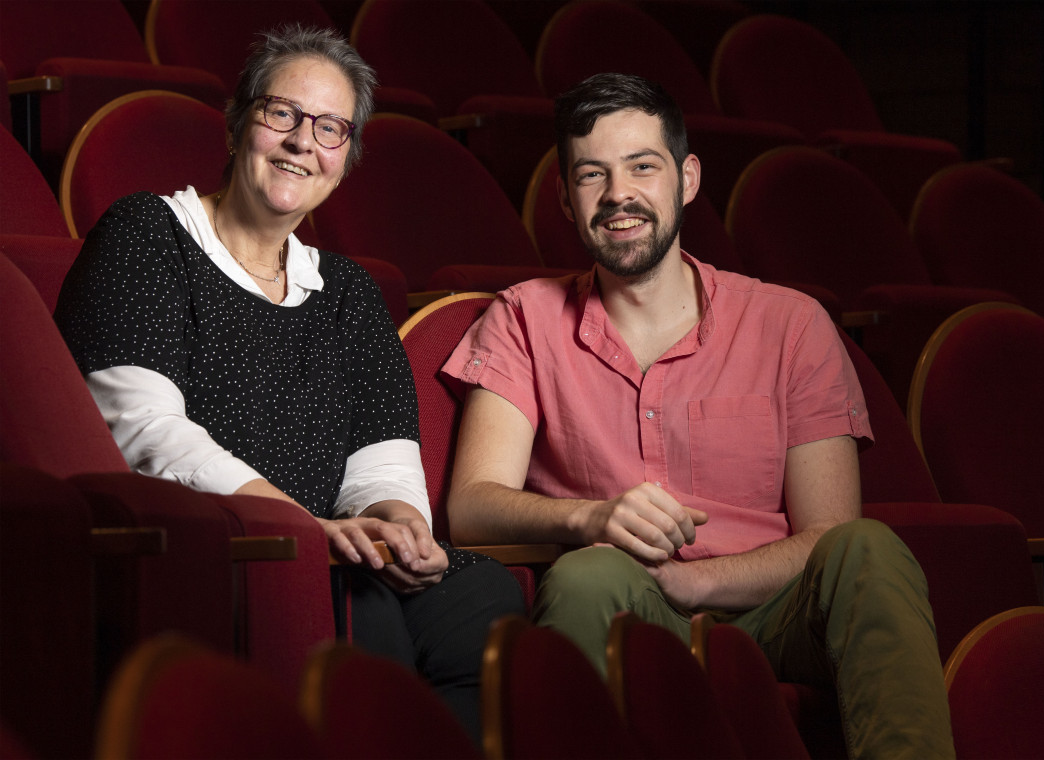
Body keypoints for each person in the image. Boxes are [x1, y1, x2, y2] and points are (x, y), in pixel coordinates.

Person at [441, 72, 954, 758]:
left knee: (871, 550)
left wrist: (702, 578)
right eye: (592, 174)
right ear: (565, 199)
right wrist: (590, 517)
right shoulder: (524, 317)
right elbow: (470, 506)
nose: (618, 193)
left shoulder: (790, 323)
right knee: (585, 573)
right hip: (622, 597)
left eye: (642, 167)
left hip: (775, 607)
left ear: (686, 179)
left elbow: (830, 533)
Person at [55, 24, 523, 738]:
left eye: (331, 128)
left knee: (480, 598)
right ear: (239, 122)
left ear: (345, 160)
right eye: (283, 114)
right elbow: (146, 432)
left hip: (332, 549)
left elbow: (382, 464)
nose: (304, 141)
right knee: (357, 613)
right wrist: (312, 533)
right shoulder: (147, 233)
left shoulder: (348, 293)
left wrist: (400, 532)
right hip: (214, 551)